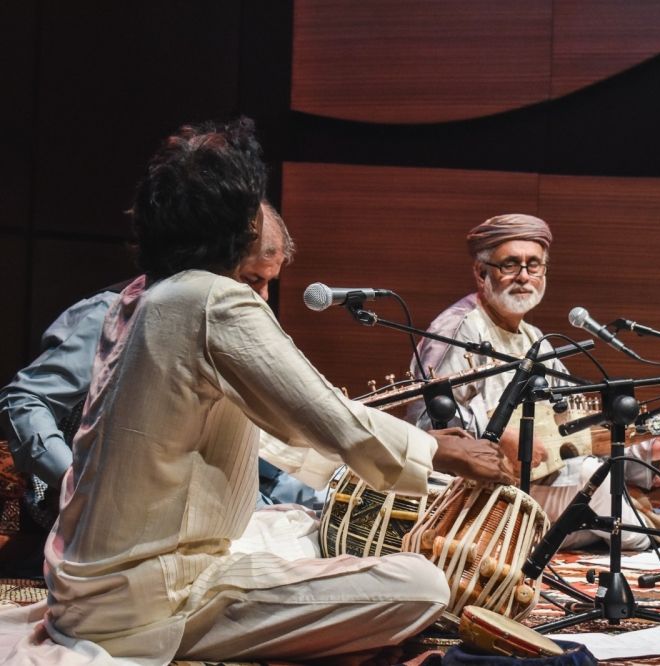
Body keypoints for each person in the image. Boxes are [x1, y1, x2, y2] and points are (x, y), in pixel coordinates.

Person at [0, 118, 511, 664]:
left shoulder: (139, 297)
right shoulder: (211, 298)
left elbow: (272, 432)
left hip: (84, 588)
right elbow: (322, 415)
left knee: (294, 524)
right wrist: (439, 452)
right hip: (150, 604)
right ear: (232, 226)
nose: (263, 293)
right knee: (422, 585)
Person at [0, 203, 322, 542]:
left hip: (207, 516)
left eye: (269, 282)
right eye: (253, 280)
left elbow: (256, 460)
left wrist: (328, 497)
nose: (263, 297)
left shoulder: (228, 330)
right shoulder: (115, 314)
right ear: (210, 262)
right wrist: (73, 479)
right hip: (100, 526)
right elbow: (24, 399)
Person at [407, 213, 660, 551]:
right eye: (510, 265)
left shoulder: (536, 339)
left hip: (534, 484)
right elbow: (424, 422)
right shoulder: (460, 329)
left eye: (534, 265)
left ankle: (543, 539)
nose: (524, 276)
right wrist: (498, 435)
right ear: (481, 272)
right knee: (603, 494)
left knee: (601, 486)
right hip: (470, 494)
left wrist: (647, 448)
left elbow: (570, 434)